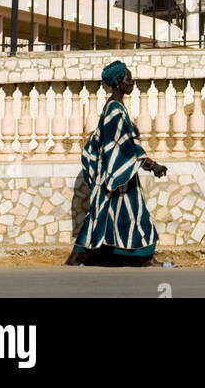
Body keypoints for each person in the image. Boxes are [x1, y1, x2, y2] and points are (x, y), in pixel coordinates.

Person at [67, 60, 167, 267]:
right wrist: (151, 164)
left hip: (118, 173)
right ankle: (146, 258)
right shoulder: (114, 109)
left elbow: (121, 140)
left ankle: (84, 257)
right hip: (117, 175)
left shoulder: (116, 108)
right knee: (136, 215)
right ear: (117, 83)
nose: (132, 83)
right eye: (128, 79)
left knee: (104, 216)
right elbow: (123, 146)